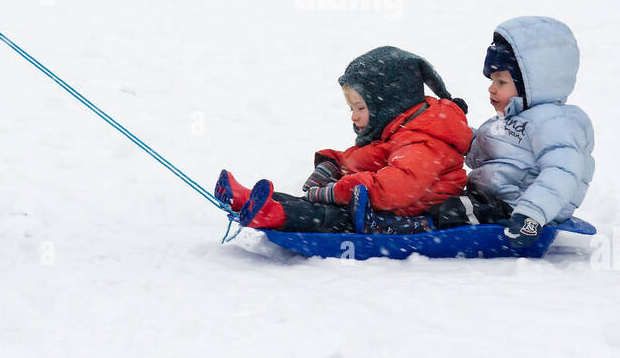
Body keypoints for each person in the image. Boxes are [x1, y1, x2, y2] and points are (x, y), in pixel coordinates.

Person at [216, 47, 473, 233]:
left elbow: (393, 189)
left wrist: (340, 189)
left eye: (361, 108)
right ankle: (247, 199)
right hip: (381, 205)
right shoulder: (400, 129)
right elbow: (368, 158)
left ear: (391, 105)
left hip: (405, 218)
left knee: (330, 217)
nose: (354, 117)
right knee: (318, 204)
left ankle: (274, 214)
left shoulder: (423, 140)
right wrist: (334, 164)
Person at [467, 17, 595, 246]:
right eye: (492, 80)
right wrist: (452, 133)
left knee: (446, 212)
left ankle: (401, 228)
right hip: (491, 202)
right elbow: (482, 155)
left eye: (501, 82)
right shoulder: (508, 121)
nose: (491, 88)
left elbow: (563, 170)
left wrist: (531, 214)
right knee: (434, 195)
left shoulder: (555, 122)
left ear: (531, 84)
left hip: (517, 211)